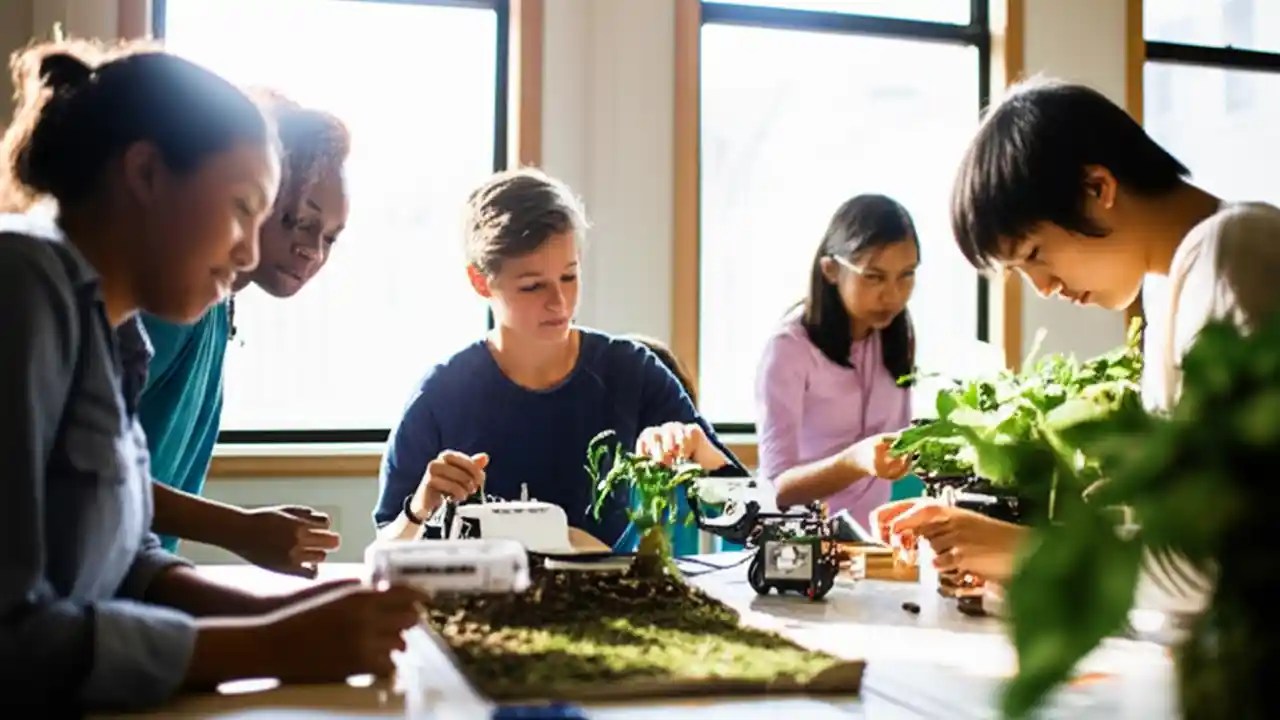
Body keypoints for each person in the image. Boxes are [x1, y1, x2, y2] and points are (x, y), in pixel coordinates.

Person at [0, 42, 423, 712]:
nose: (251, 252)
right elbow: (12, 636)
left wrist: (307, 610)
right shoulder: (21, 289)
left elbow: (126, 561)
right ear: (146, 172)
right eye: (244, 208)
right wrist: (276, 646)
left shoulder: (111, 332)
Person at [876, 77, 1280, 608]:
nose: (1044, 288)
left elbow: (1228, 557)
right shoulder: (1173, 286)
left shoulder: (1233, 254)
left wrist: (1029, 552)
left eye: (1036, 254)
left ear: (1097, 188)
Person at [373, 168, 746, 549]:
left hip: (603, 601)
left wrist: (702, 452)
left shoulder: (631, 372)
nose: (559, 302)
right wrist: (420, 508)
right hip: (484, 602)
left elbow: (749, 522)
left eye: (569, 277)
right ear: (480, 281)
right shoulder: (441, 394)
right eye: (533, 286)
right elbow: (384, 550)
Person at [119, 87, 353, 577]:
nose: (313, 250)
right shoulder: (170, 301)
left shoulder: (217, 309)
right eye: (300, 222)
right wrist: (240, 529)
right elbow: (89, 471)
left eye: (329, 237)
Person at [755, 195, 920, 525]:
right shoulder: (789, 348)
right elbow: (777, 487)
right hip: (800, 546)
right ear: (831, 269)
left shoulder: (895, 335)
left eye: (906, 275)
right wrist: (856, 461)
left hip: (874, 546)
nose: (893, 295)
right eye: (873, 276)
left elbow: (901, 443)